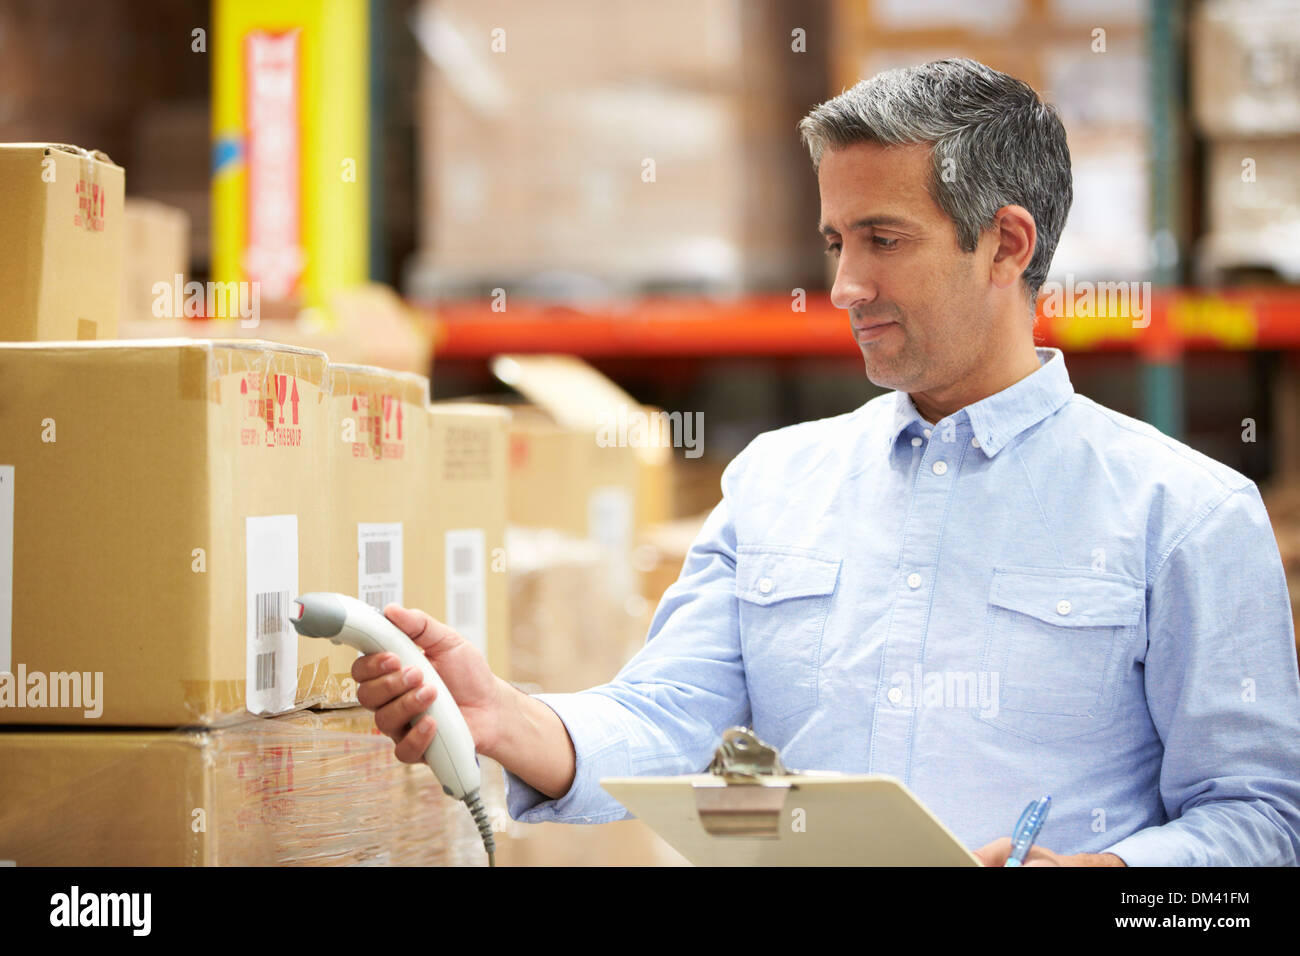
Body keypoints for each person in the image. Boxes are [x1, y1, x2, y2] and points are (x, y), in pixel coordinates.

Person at [355, 59, 1300, 866]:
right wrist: (504, 718)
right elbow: (673, 718)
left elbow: (1262, 819)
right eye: (836, 242)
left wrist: (1110, 871)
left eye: (884, 239)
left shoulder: (1185, 514)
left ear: (1005, 244)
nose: (845, 286)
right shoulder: (777, 481)